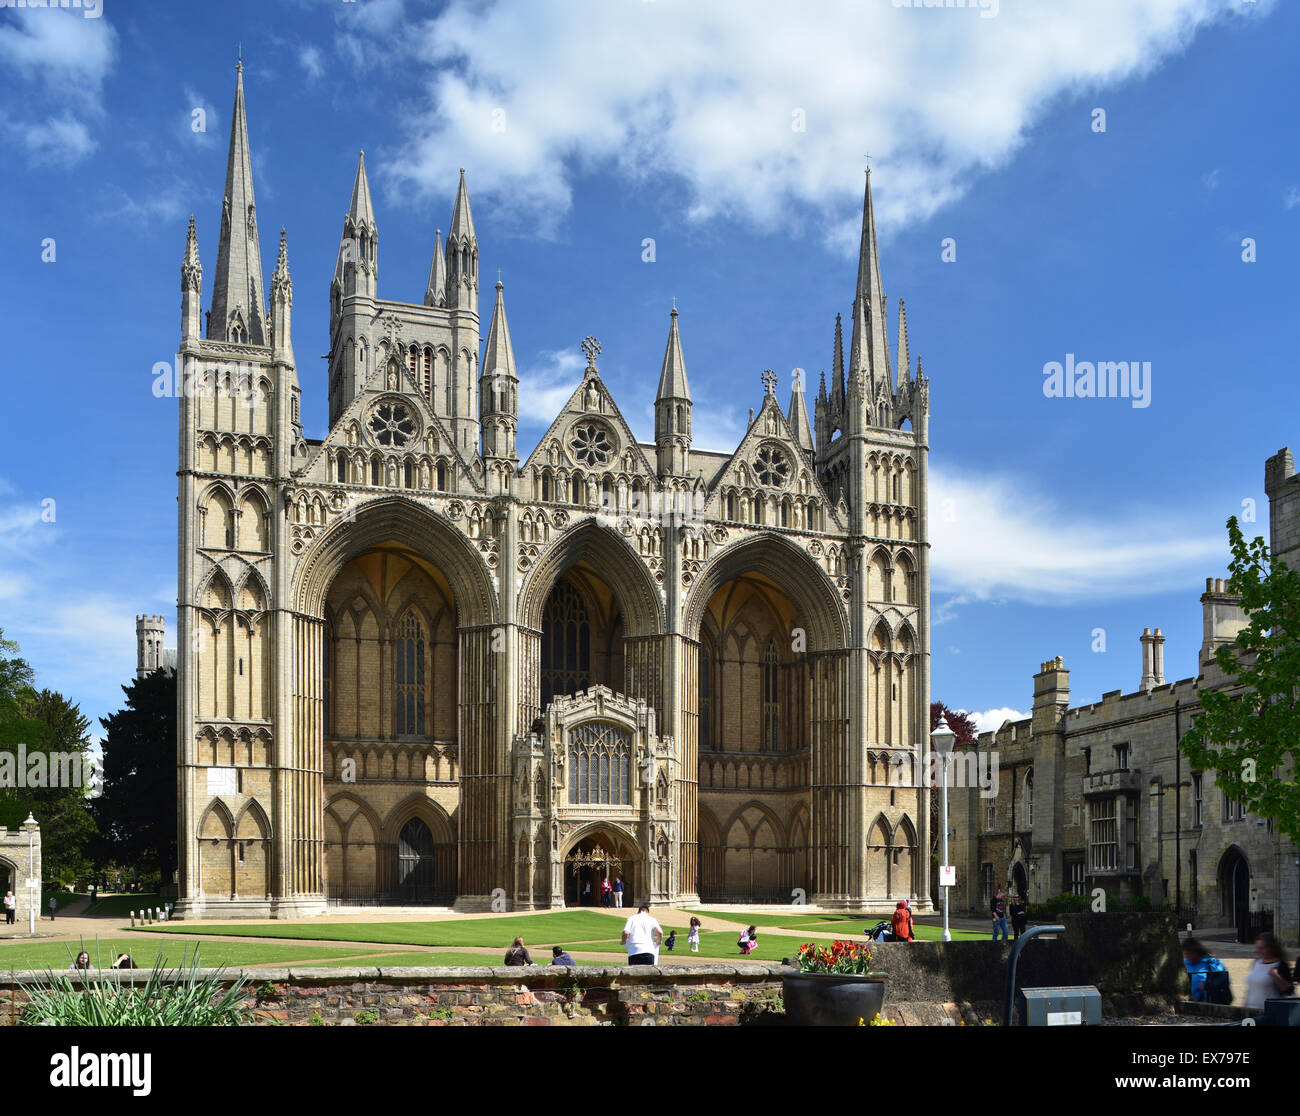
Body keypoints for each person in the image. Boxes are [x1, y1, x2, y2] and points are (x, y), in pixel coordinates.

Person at [1245, 933, 1294, 1012]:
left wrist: (1277, 976)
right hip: (1251, 1010)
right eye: (1258, 948)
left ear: (1271, 948)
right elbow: (1250, 989)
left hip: (1271, 1012)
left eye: (1262, 948)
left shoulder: (1280, 965)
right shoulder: (1256, 963)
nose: (1259, 951)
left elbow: (1289, 991)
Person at [1181, 938, 1230, 1004]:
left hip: (1209, 1003)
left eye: (1190, 953)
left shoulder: (1211, 963)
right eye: (1185, 954)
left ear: (1197, 952)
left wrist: (1207, 984)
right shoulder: (1185, 964)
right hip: (1188, 1004)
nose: (1187, 956)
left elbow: (1224, 980)